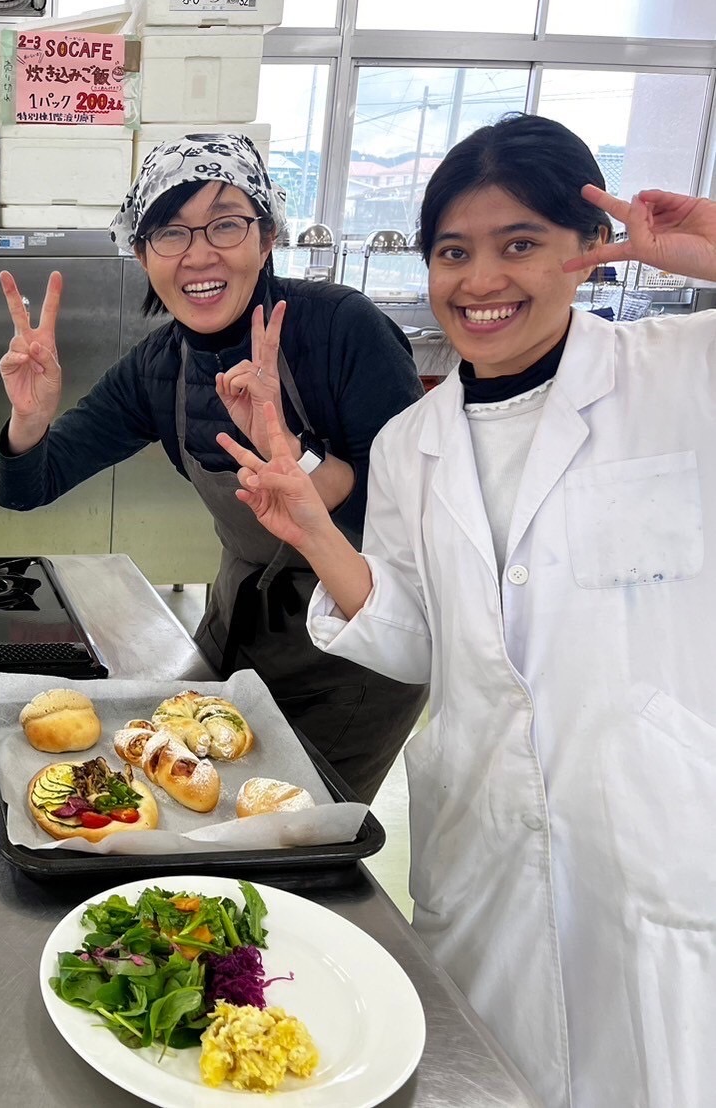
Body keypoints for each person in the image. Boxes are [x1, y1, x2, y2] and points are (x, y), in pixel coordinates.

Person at [218, 112, 716, 1108]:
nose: (479, 280)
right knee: (485, 1077)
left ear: (590, 253)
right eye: (454, 251)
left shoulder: (681, 374)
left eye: (519, 244)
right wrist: (315, 527)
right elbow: (409, 643)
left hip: (660, 841)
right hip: (483, 848)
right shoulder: (415, 443)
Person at [0, 133, 427, 801]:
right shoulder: (159, 366)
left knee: (293, 832)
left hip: (355, 641)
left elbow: (410, 507)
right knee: (203, 810)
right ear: (142, 253)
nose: (198, 254)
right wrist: (29, 418)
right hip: (236, 625)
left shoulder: (342, 329)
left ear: (266, 235)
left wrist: (296, 455)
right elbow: (28, 486)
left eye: (224, 224)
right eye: (170, 232)